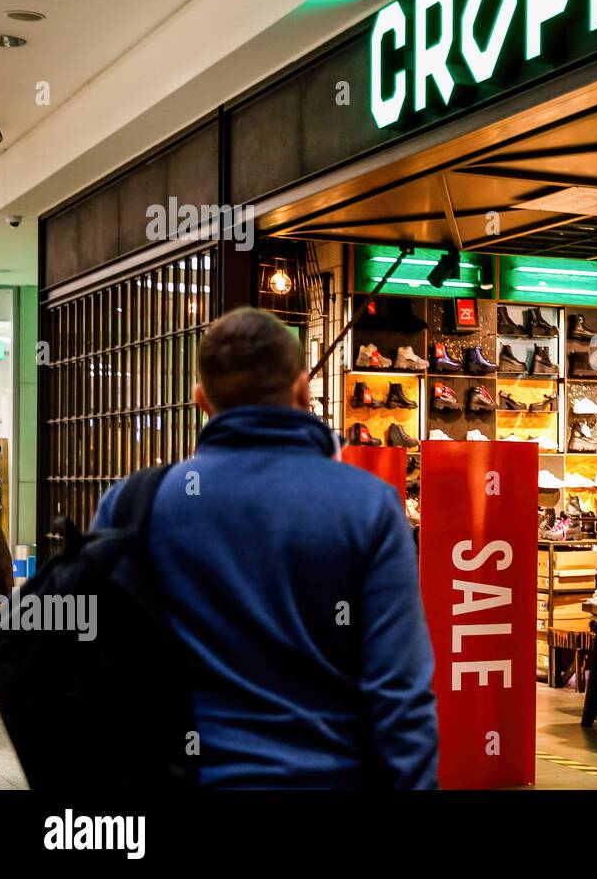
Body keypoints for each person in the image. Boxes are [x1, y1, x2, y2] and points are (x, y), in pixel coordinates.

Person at [92, 307, 437, 788]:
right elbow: (399, 691)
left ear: (201, 401)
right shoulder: (368, 506)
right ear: (301, 390)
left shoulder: (133, 504)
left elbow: (101, 676)